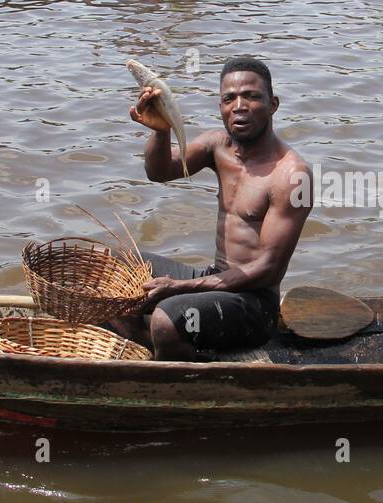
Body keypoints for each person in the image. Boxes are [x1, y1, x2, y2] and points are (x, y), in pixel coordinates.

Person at [119, 56, 312, 360]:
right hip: (215, 277)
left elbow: (267, 269)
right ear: (220, 106)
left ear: (273, 104)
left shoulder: (292, 175)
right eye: (229, 98)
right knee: (120, 267)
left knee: (166, 322)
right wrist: (160, 131)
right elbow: (159, 172)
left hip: (254, 303)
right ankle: (152, 354)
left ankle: (194, 368)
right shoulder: (216, 146)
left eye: (251, 96)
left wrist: (181, 287)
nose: (239, 106)